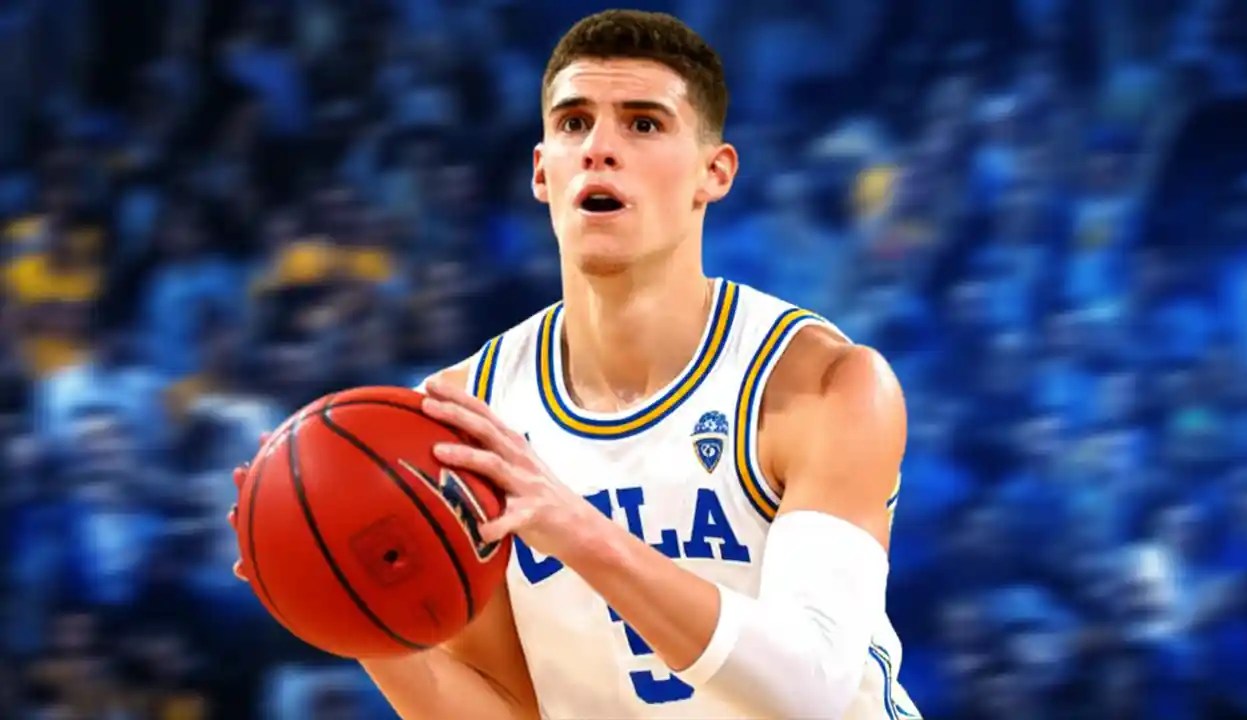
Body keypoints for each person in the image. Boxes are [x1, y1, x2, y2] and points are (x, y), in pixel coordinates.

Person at [230, 9, 919, 719]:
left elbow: (812, 694)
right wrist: (347, 603)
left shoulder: (821, 384)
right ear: (541, 171)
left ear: (713, 173)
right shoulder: (466, 413)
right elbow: (513, 709)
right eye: (573, 123)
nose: (599, 148)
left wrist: (574, 527)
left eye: (643, 124)